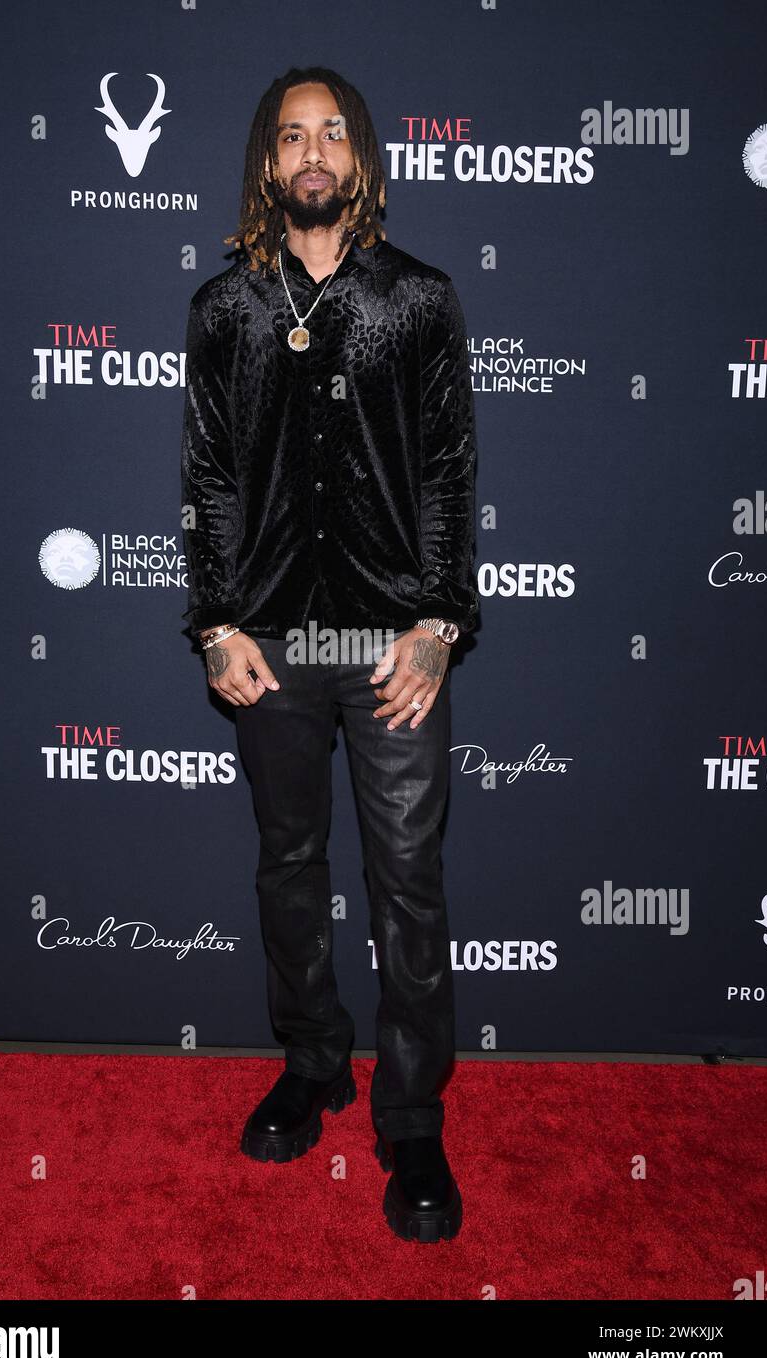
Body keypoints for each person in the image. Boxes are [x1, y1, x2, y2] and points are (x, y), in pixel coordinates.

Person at [179, 65, 479, 1242]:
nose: (311, 151)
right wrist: (213, 623)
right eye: (291, 135)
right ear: (267, 164)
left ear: (359, 161)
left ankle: (411, 1120)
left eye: (331, 134)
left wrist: (439, 621)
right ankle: (312, 1065)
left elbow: (451, 472)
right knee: (288, 867)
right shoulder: (222, 310)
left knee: (409, 886)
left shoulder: (419, 300)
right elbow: (204, 481)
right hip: (268, 645)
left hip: (391, 643)